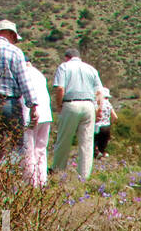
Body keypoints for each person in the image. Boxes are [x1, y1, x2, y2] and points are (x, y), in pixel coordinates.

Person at [49, 49, 102, 180]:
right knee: (87, 143)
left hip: (71, 103)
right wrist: (99, 109)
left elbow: (60, 88)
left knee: (64, 140)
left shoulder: (64, 67)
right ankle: (84, 176)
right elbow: (99, 92)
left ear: (67, 57)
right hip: (89, 105)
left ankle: (57, 171)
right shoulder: (91, 69)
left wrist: (59, 105)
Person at [22, 57, 53, 185]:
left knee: (28, 150)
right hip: (46, 115)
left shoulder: (23, 74)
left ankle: (30, 183)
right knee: (40, 150)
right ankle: (42, 180)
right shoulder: (39, 75)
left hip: (29, 115)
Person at [93, 85, 117, 158]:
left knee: (93, 144)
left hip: (97, 126)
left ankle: (96, 154)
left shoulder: (96, 104)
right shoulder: (109, 104)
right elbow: (115, 117)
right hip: (106, 127)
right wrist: (109, 123)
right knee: (102, 145)